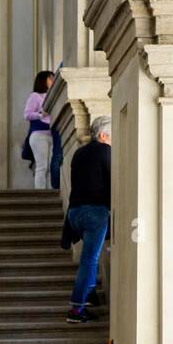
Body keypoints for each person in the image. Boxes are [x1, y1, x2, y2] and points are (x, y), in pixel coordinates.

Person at [66, 115, 112, 324]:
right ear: (103, 135)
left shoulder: (79, 153)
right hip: (95, 212)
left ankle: (90, 292)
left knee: (90, 256)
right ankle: (76, 309)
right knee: (89, 259)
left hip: (75, 212)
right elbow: (112, 182)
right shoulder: (105, 151)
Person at [23, 71, 54, 190]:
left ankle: (51, 190)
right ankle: (41, 192)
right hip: (39, 135)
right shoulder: (36, 96)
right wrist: (41, 114)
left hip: (52, 134)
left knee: (52, 166)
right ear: (43, 80)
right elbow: (26, 114)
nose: (53, 80)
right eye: (50, 78)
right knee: (42, 166)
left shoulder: (53, 96)